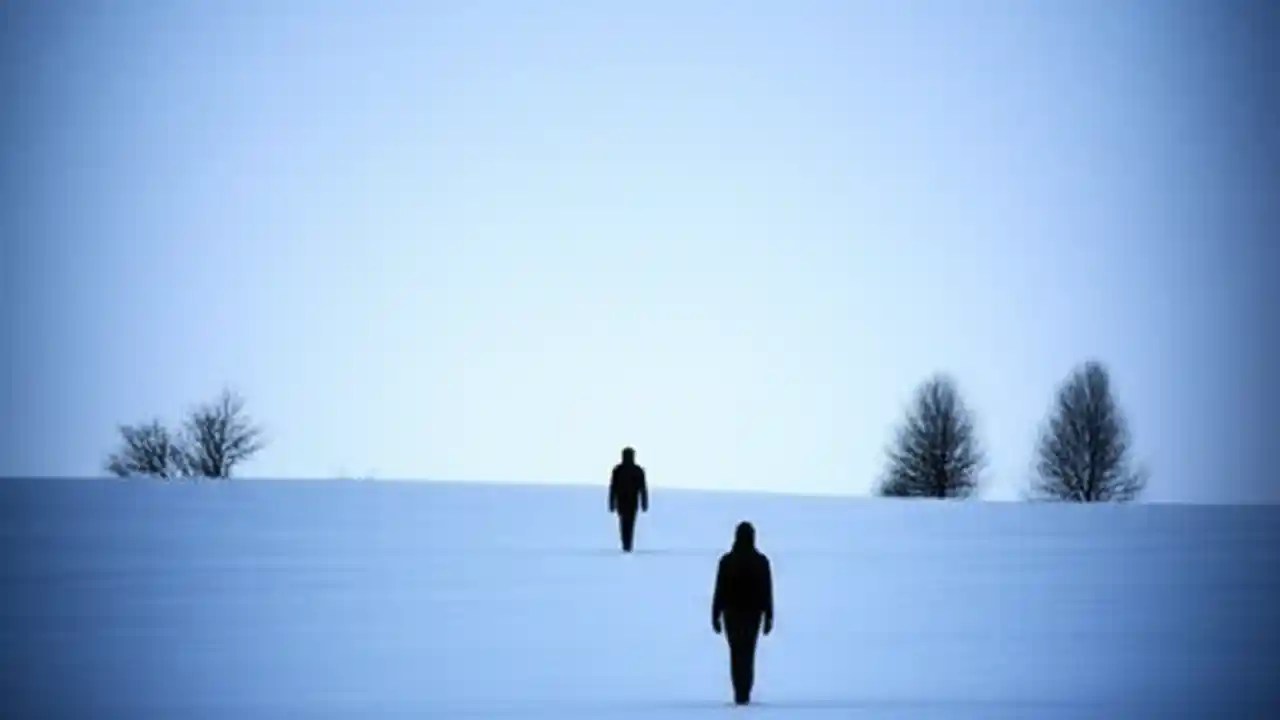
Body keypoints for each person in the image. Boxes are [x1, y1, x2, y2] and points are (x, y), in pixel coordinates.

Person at [711, 521, 774, 706]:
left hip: (732, 615)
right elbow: (767, 591)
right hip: (753, 615)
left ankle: (739, 691)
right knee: (748, 653)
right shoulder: (761, 561)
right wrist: (769, 616)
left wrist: (715, 615)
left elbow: (719, 590)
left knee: (736, 652)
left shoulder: (727, 561)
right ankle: (745, 691)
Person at [607, 447, 648, 552]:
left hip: (624, 501)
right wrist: (644, 503)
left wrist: (611, 502)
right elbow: (643, 489)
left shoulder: (618, 470)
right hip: (630, 501)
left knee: (624, 523)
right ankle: (627, 544)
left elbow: (613, 488)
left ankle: (626, 544)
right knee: (629, 523)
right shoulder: (636, 470)